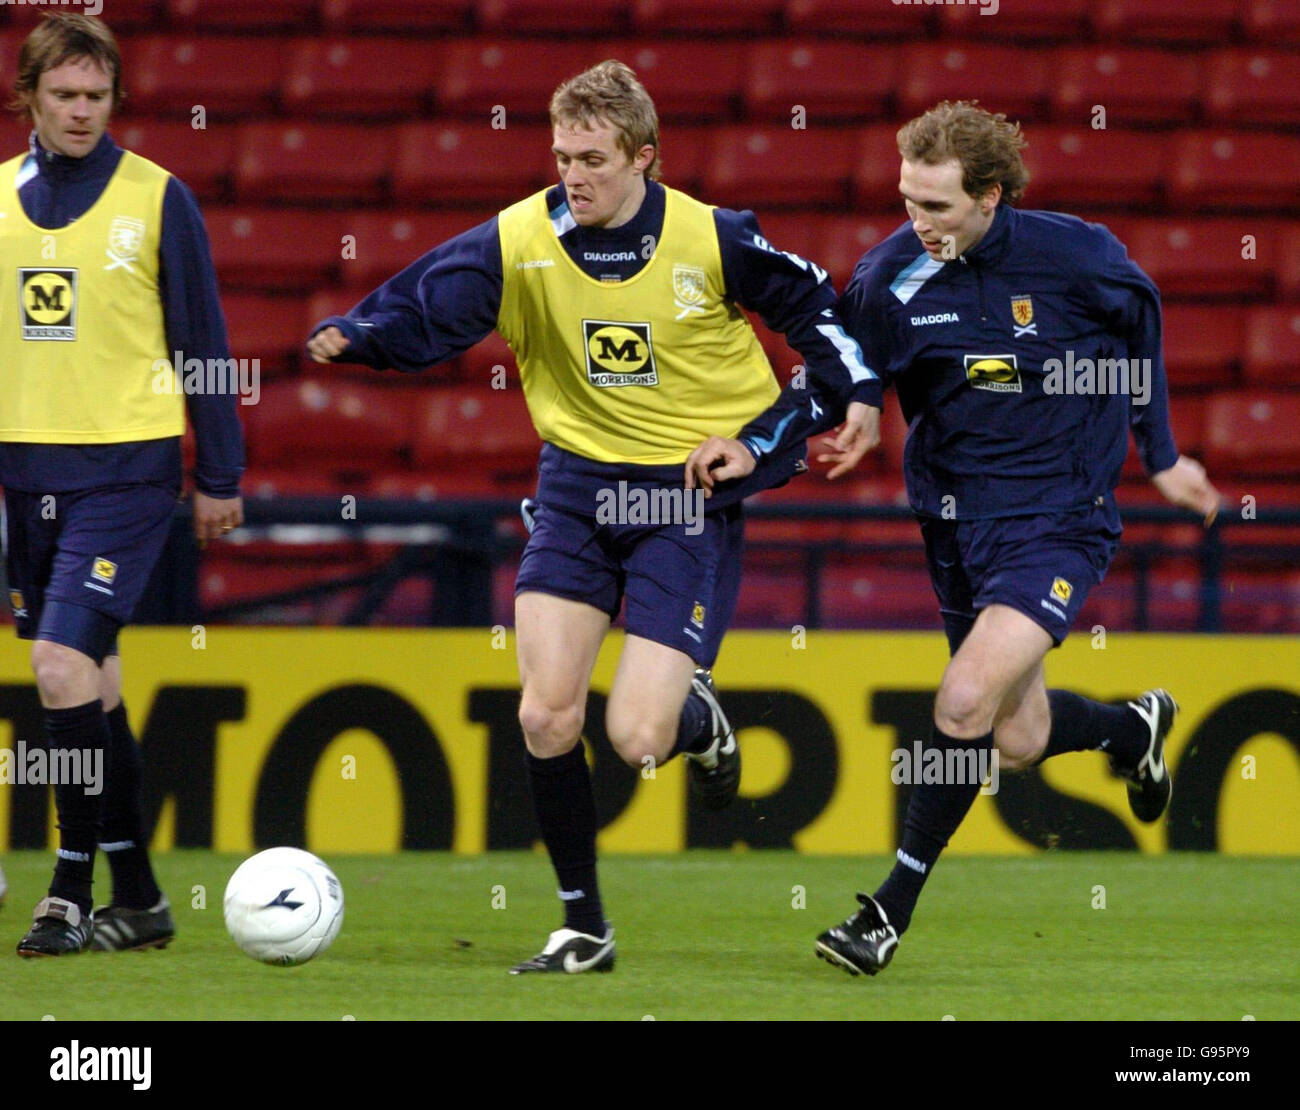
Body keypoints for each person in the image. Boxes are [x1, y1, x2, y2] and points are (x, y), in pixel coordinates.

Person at [308, 60, 879, 973]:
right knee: (544, 717)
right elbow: (431, 306)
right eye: (562, 154)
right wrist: (363, 337)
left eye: (594, 158)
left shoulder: (713, 238)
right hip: (576, 489)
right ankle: (583, 925)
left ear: (644, 158)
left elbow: (819, 311)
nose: (573, 175)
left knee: (639, 737)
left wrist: (838, 401)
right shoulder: (521, 236)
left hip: (681, 498)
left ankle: (699, 721)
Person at [685, 100, 1221, 977]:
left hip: (1059, 521)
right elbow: (842, 375)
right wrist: (760, 444)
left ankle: (885, 913)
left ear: (991, 196)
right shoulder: (890, 278)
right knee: (1016, 733)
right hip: (954, 526)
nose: (916, 222)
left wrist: (1158, 454)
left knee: (963, 704)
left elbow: (1142, 322)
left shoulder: (1076, 256)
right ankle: (1132, 730)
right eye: (907, 200)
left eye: (935, 207)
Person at [3, 14, 244, 956]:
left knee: (57, 666)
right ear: (29, 97)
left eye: (96, 97)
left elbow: (203, 340)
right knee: (92, 685)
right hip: (29, 476)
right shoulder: (0, 200)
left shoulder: (157, 199)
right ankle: (139, 897)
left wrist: (218, 472)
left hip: (129, 471)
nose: (80, 112)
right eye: (63, 95)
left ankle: (68, 888)